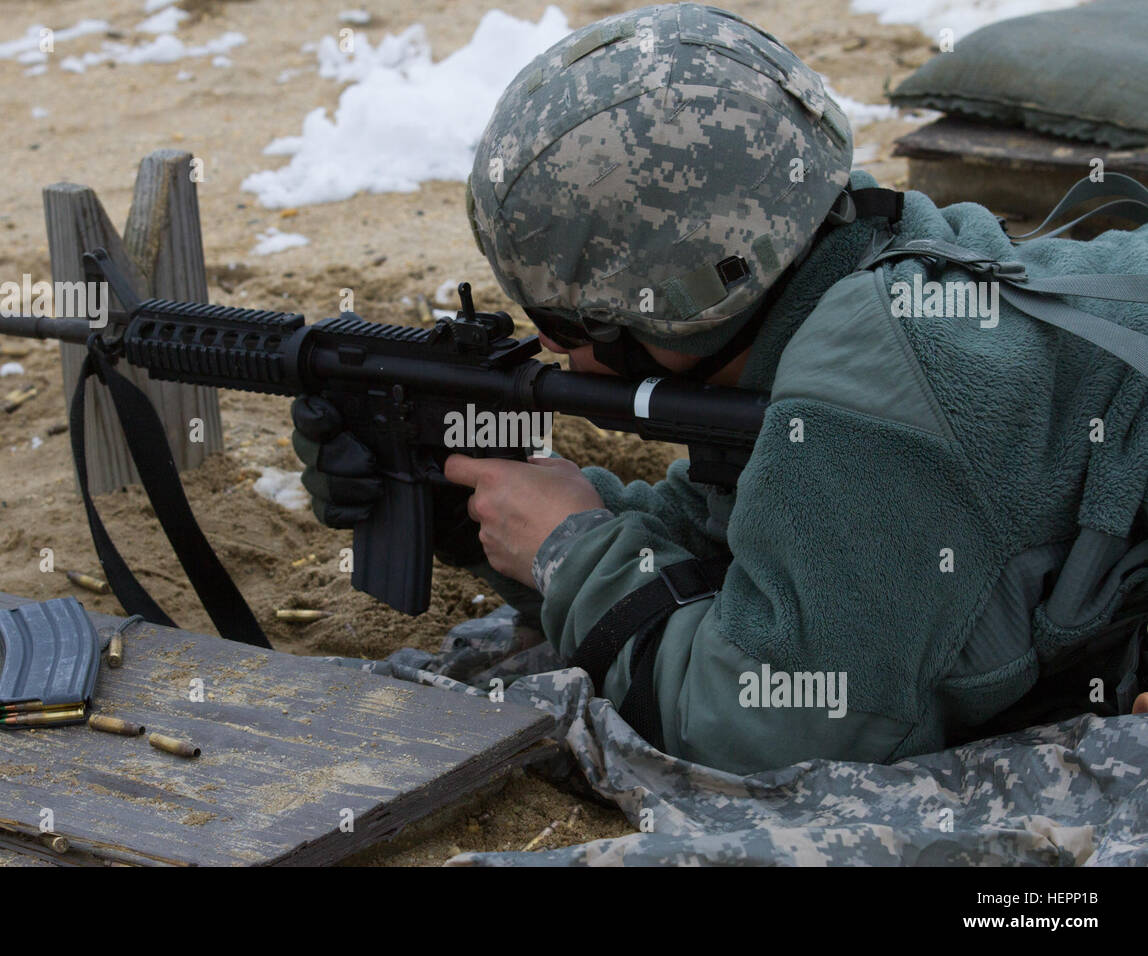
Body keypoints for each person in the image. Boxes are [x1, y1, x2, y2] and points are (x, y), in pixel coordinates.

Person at [293, 4, 1148, 773]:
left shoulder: (874, 385)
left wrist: (571, 552)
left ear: (663, 308)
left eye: (555, 322)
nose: (544, 350)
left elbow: (763, 732)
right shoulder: (850, 271)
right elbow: (750, 548)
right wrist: (477, 507)